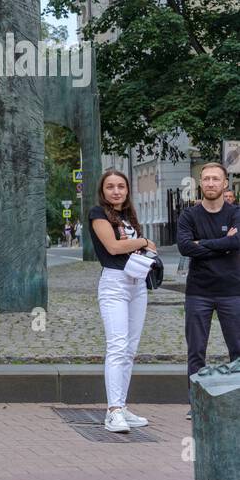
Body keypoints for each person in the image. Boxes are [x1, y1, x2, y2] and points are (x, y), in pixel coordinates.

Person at [89, 168, 156, 433]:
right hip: (115, 284)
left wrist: (141, 244)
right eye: (110, 187)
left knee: (130, 348)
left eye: (121, 186)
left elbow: (135, 248)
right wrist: (145, 240)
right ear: (103, 191)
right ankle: (112, 411)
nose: (116, 191)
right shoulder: (98, 214)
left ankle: (122, 405)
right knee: (117, 346)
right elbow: (114, 247)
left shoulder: (128, 216)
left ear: (127, 190)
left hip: (136, 284)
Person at [176, 162, 240, 418]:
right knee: (196, 351)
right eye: (206, 179)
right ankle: (197, 404)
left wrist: (203, 243)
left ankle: (236, 400)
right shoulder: (188, 216)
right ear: (199, 183)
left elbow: (237, 241)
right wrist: (223, 245)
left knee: (237, 349)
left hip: (232, 291)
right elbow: (184, 247)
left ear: (225, 183)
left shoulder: (236, 213)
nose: (211, 183)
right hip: (198, 292)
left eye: (216, 179)